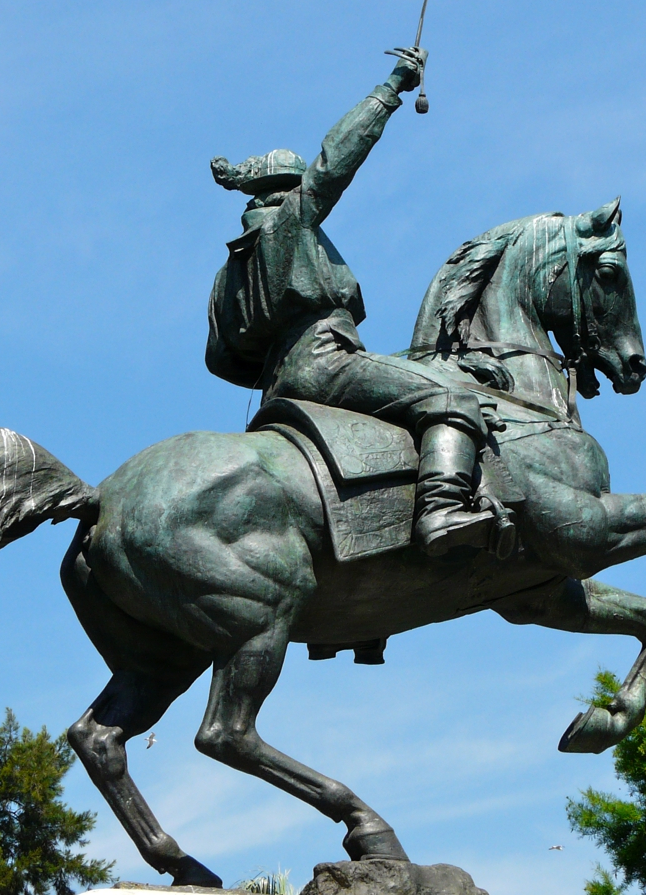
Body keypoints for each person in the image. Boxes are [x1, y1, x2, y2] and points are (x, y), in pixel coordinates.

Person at [206, 48, 505, 557]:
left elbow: (220, 359)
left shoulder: (226, 274)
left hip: (279, 388)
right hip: (326, 364)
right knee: (452, 398)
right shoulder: (292, 220)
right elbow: (336, 158)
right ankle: (441, 508)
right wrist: (391, 89)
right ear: (288, 190)